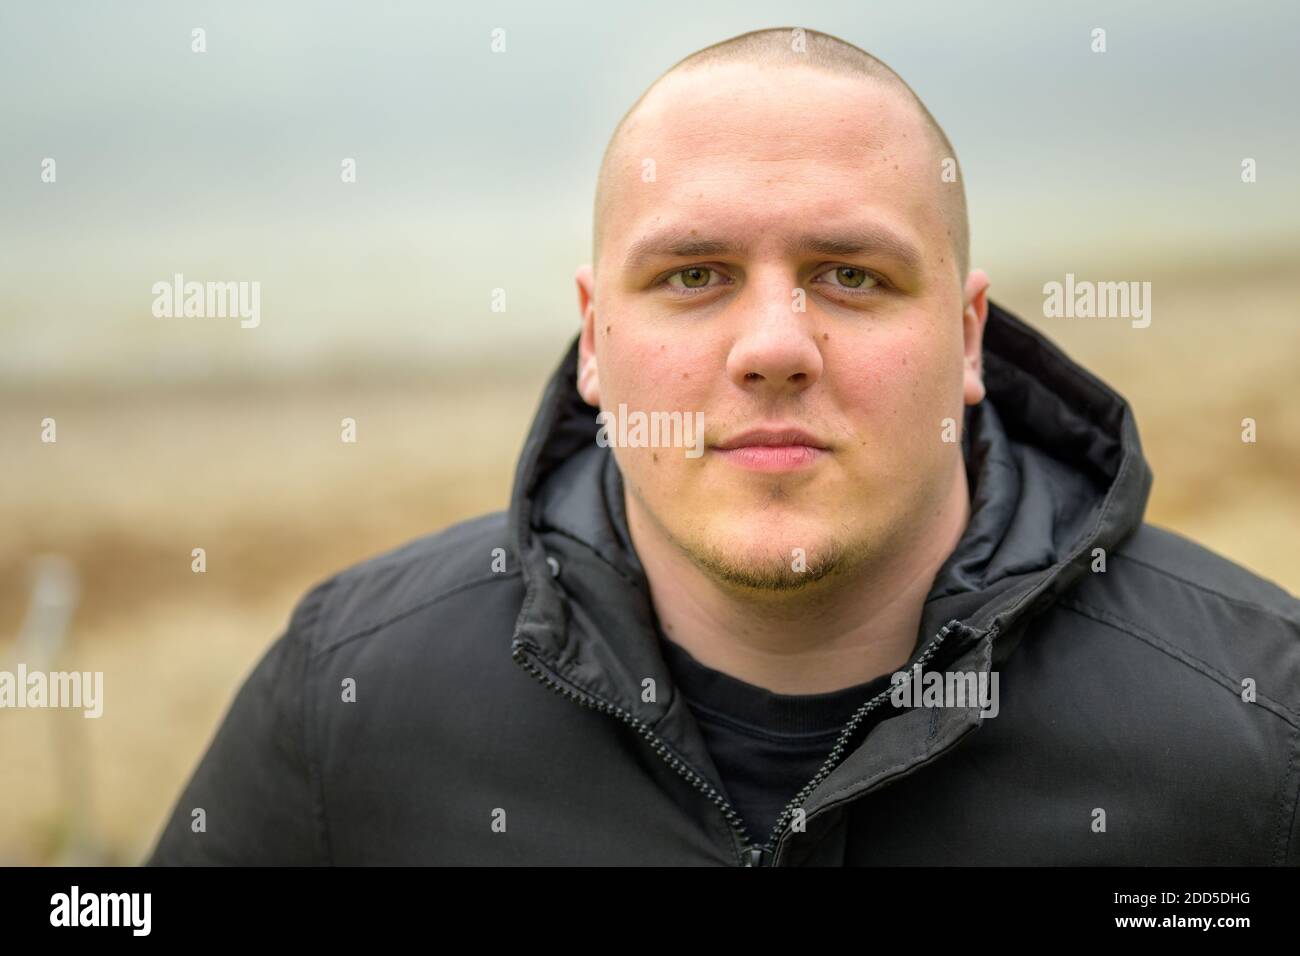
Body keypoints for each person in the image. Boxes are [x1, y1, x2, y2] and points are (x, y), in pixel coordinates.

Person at [146, 27, 1300, 866]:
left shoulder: (1254, 728)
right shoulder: (348, 696)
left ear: (964, 338)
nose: (771, 347)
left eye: (851, 275)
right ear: (595, 339)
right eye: (693, 276)